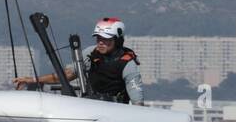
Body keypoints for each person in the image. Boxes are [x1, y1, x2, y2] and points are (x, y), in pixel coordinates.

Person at [13, 17, 143, 104]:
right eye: (98, 38)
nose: (101, 43)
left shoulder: (128, 64)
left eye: (106, 39)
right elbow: (67, 75)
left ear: (118, 40)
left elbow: (138, 102)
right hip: (90, 107)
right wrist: (32, 80)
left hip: (115, 112)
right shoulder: (90, 53)